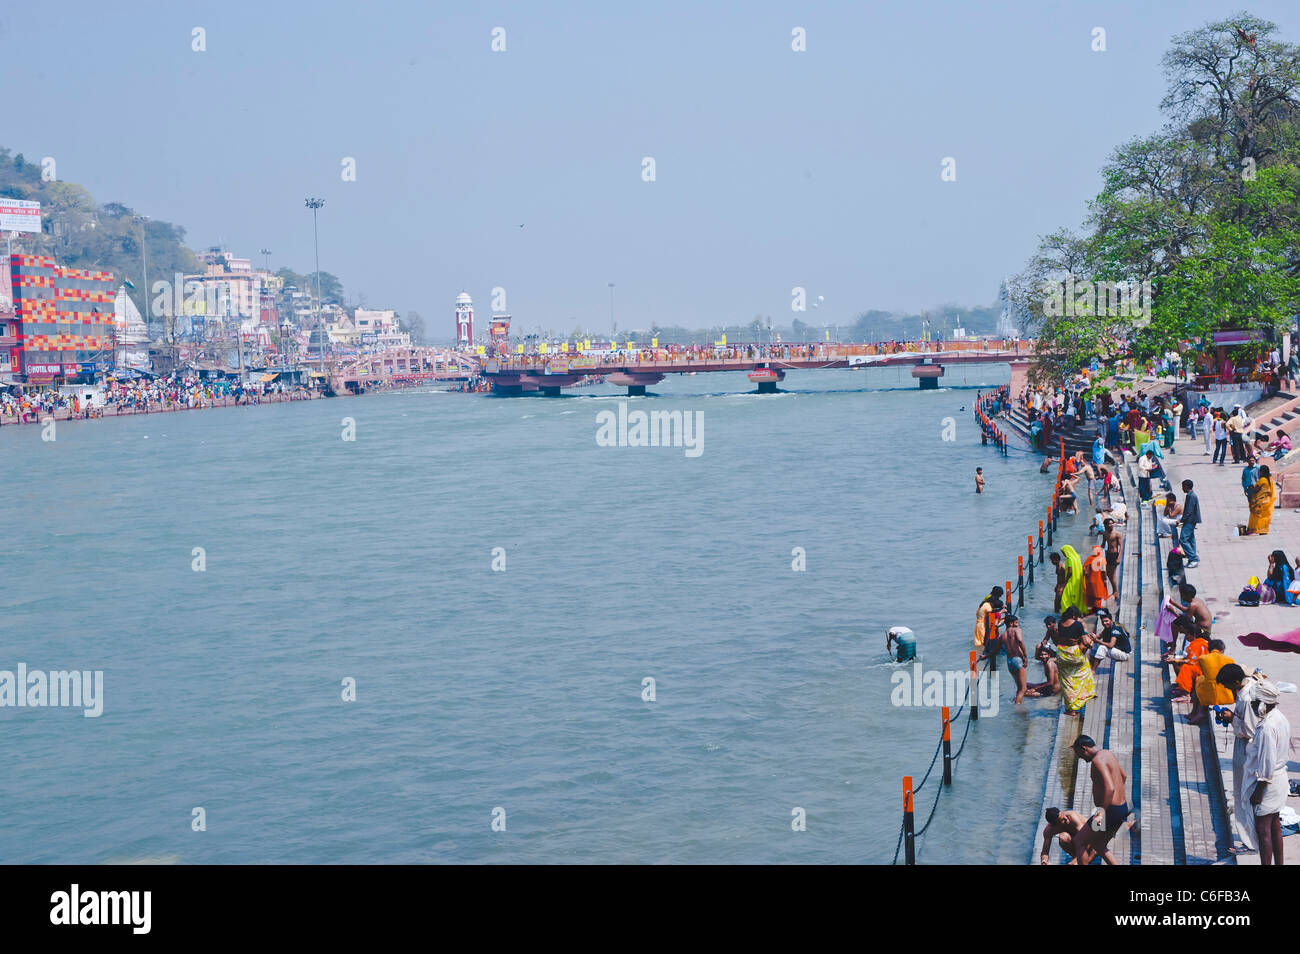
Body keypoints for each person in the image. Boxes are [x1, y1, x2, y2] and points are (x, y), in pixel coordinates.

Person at [1244, 681, 1292, 865]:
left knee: (1263, 829)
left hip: (1269, 783)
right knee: (1275, 826)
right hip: (1280, 779)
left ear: (1263, 703)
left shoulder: (1266, 727)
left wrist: (1258, 790)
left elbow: (1267, 761)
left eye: (1255, 703)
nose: (1253, 707)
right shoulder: (1279, 716)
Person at [1214, 664, 1261, 853]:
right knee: (1243, 793)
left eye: (1227, 685)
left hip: (1247, 748)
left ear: (1235, 682)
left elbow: (1250, 729)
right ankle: (1250, 837)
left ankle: (1250, 841)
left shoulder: (1246, 697)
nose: (1227, 689)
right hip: (1246, 747)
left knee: (1244, 794)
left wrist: (1232, 718)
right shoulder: (1247, 687)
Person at [1071, 735, 1130, 865]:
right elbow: (1123, 776)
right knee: (1098, 845)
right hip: (1121, 808)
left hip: (1108, 811)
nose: (1080, 757)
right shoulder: (1107, 753)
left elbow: (1110, 788)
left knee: (1079, 841)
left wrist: (1101, 813)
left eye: (1078, 754)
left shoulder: (1097, 761)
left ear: (1084, 749)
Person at [1054, 607, 1096, 714]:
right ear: (1074, 615)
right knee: (1085, 672)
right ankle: (1085, 695)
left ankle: (1071, 709)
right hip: (1075, 655)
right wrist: (1091, 639)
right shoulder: (1078, 625)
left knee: (1067, 681)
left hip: (1062, 654)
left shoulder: (1060, 623)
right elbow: (1086, 642)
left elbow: (1059, 639)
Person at [1188, 639, 1235, 725]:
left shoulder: (1202, 658)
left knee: (1199, 680)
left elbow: (1205, 673)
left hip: (1209, 694)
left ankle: (1197, 712)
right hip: (1226, 695)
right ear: (1222, 649)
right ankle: (1197, 713)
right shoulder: (1230, 659)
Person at [1026, 617, 1061, 698]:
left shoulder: (1049, 663)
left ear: (1054, 624)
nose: (1048, 626)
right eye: (1046, 625)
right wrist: (1042, 644)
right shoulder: (1049, 631)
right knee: (1025, 685)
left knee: (1025, 693)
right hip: (1051, 686)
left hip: (1052, 690)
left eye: (1049, 624)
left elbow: (1050, 683)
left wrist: (1035, 689)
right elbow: (1045, 640)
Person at [1246, 465, 1275, 536]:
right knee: (1265, 517)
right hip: (1267, 501)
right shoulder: (1270, 479)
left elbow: (1256, 489)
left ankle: (1253, 529)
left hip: (1260, 501)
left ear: (1261, 472)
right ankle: (1264, 530)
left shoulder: (1262, 480)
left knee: (1255, 516)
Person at [1059, 546, 1088, 616]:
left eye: (1064, 553)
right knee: (1077, 597)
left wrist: (1065, 581)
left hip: (1071, 581)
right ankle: (1078, 612)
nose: (1063, 554)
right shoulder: (1077, 557)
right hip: (1078, 580)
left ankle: (1066, 614)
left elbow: (1070, 571)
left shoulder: (1069, 559)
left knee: (1065, 598)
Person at [1178, 479, 1201, 567]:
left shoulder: (1190, 496)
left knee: (1183, 539)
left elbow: (1188, 511)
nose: (1182, 488)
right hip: (1191, 520)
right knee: (1191, 538)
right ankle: (1193, 554)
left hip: (1190, 521)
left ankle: (1193, 558)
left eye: (1183, 486)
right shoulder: (1191, 495)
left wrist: (1182, 520)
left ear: (1186, 487)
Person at [1084, 545, 1111, 614]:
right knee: (1098, 596)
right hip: (1098, 580)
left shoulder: (1089, 559)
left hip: (1090, 580)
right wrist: (1105, 579)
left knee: (1091, 595)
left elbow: (1085, 570)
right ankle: (1097, 610)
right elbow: (1103, 571)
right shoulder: (1101, 559)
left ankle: (1091, 610)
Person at [974, 587, 1003, 652]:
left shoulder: (985, 602)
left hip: (978, 624)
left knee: (978, 642)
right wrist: (1000, 611)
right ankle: (982, 655)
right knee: (981, 643)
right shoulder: (988, 607)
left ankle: (980, 654)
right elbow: (992, 615)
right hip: (981, 626)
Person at [1103, 518, 1122, 594]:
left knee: (1112, 574)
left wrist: (1119, 558)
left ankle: (1115, 591)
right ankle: (1114, 591)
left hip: (1114, 555)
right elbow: (1103, 544)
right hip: (1108, 554)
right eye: (1109, 524)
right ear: (1106, 525)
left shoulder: (1117, 534)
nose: (1111, 525)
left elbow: (1121, 546)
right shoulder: (1105, 533)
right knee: (1107, 573)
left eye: (1112, 523)